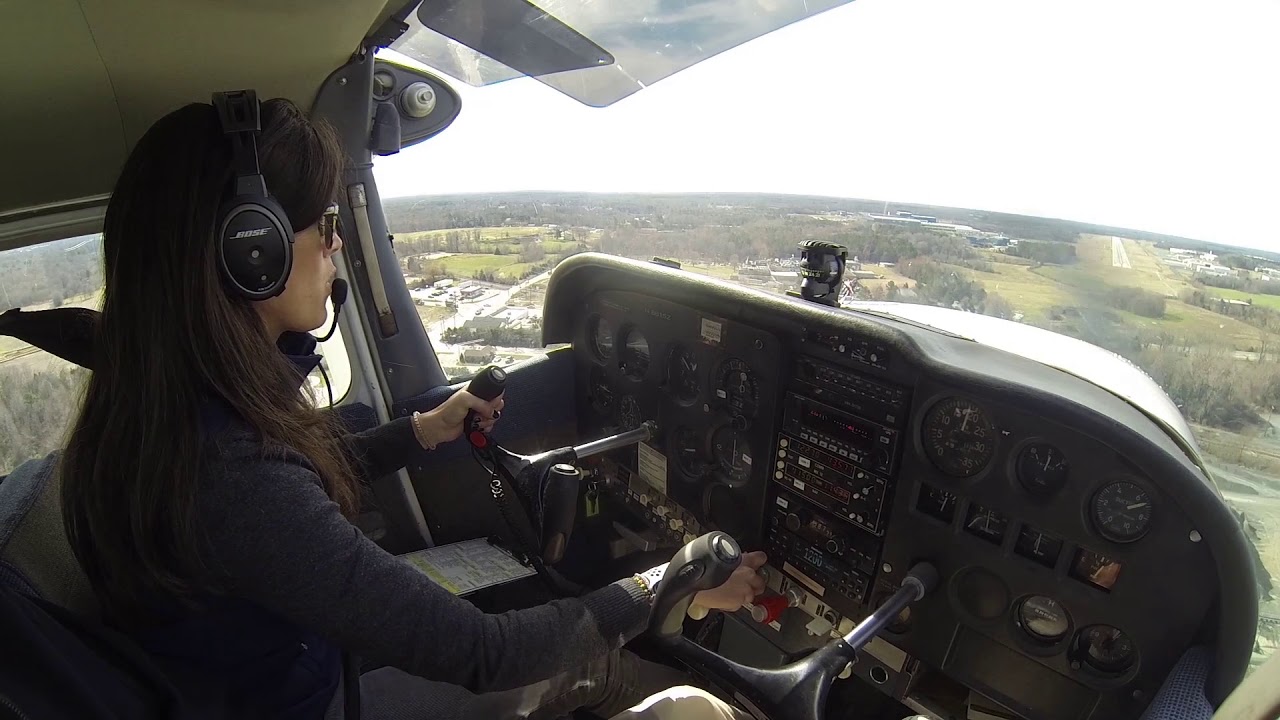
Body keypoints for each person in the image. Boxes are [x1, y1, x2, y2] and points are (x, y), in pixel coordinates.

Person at [57, 97, 766, 720]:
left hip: (266, 680)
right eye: (325, 226)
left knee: (571, 651)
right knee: (661, 695)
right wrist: (667, 580)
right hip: (307, 702)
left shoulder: (165, 414)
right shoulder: (229, 475)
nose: (336, 247)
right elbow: (487, 653)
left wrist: (424, 429)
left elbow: (287, 489)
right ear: (253, 255)